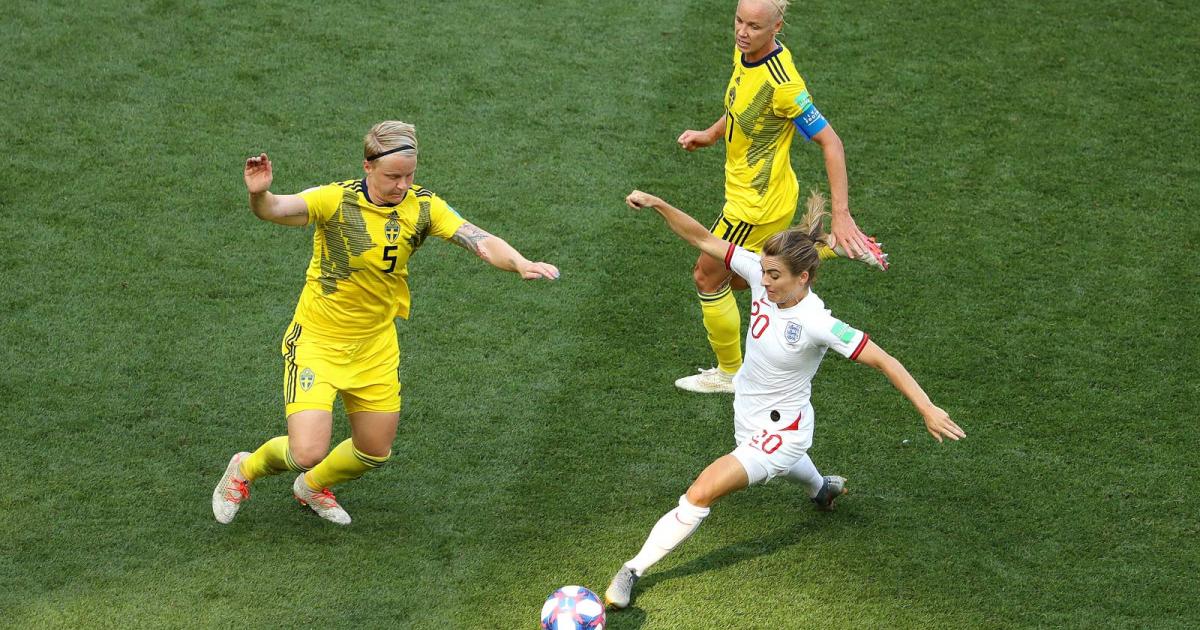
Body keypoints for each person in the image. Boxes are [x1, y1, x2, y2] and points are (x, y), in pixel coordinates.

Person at [604, 190, 963, 608]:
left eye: (775, 276)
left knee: (701, 492)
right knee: (794, 471)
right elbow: (704, 240)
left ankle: (632, 570)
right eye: (765, 272)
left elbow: (884, 359)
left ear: (803, 278)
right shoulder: (761, 274)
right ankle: (821, 488)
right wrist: (659, 204)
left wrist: (927, 408)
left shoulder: (817, 323)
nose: (763, 281)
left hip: (781, 432)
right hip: (751, 414)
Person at [212, 121, 559, 526]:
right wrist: (260, 194)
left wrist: (519, 262)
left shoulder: (424, 206)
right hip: (318, 343)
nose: (402, 185)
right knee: (307, 450)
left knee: (373, 451)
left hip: (375, 346)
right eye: (394, 176)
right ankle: (244, 469)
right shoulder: (334, 200)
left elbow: (477, 239)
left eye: (410, 175)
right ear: (368, 166)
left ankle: (311, 487)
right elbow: (275, 210)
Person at [675, 0, 887, 394]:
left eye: (754, 26)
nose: (742, 31)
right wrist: (711, 133)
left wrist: (840, 213)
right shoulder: (749, 53)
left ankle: (728, 374)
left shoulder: (784, 83)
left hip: (752, 206)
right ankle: (827, 249)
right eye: (738, 20)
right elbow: (743, 106)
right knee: (742, 280)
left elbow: (831, 142)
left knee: (707, 276)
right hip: (765, 195)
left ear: (777, 27)